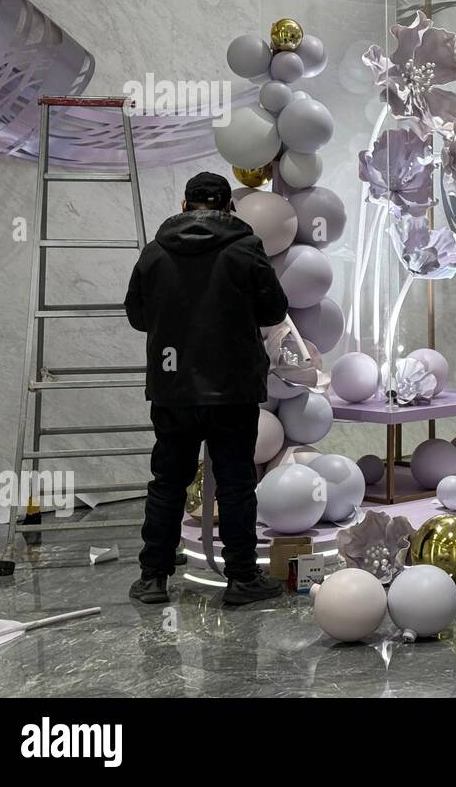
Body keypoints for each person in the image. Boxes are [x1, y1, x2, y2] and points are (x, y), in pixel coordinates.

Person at [124, 172, 289, 605]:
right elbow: (274, 309)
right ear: (229, 207)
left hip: (172, 388)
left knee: (167, 482)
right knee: (236, 485)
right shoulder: (245, 248)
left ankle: (153, 578)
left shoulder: (155, 252)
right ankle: (241, 579)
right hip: (231, 388)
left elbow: (137, 316)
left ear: (184, 205)